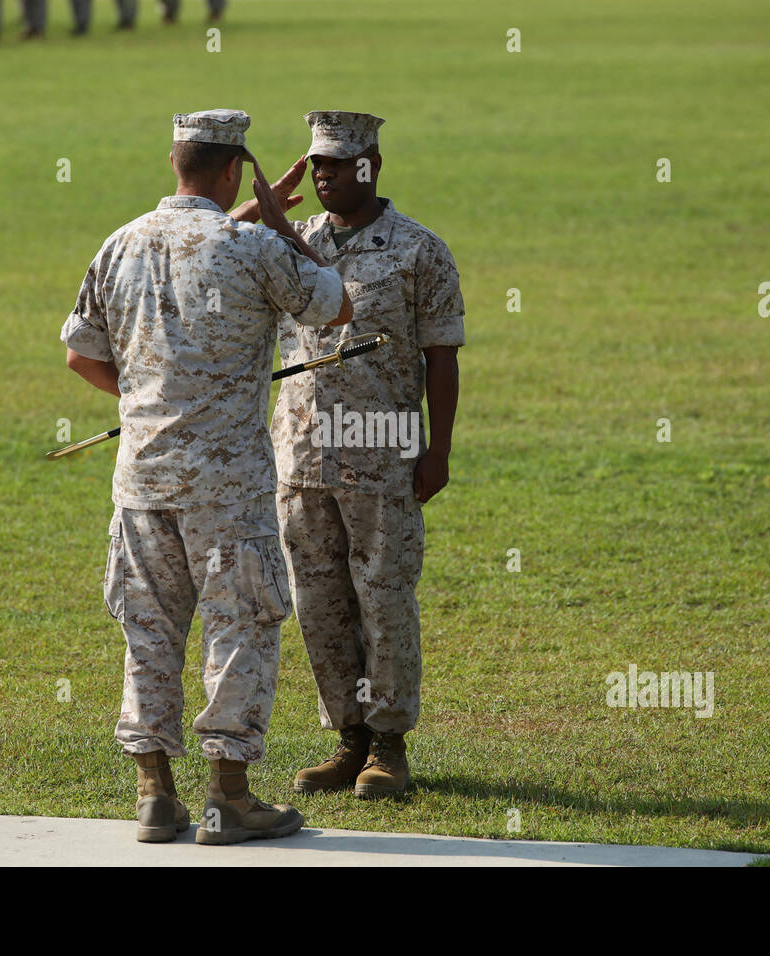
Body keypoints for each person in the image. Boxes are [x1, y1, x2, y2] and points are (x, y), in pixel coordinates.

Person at [60, 109, 352, 845]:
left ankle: (154, 793)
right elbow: (336, 302)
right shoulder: (254, 246)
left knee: (149, 633)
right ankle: (228, 796)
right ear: (234, 173)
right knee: (241, 626)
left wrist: (149, 402)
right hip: (228, 490)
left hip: (141, 481)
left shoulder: (121, 243)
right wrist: (281, 223)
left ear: (174, 162)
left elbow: (81, 354)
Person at [235, 110, 464, 798]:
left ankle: (389, 746)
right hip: (300, 457)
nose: (327, 175)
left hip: (384, 455)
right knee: (319, 601)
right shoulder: (285, 240)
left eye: (340, 163)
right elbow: (209, 257)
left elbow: (441, 357)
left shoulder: (417, 249)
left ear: (373, 165)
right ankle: (348, 738)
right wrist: (254, 214)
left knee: (384, 596)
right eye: (318, 164)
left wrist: (438, 449)